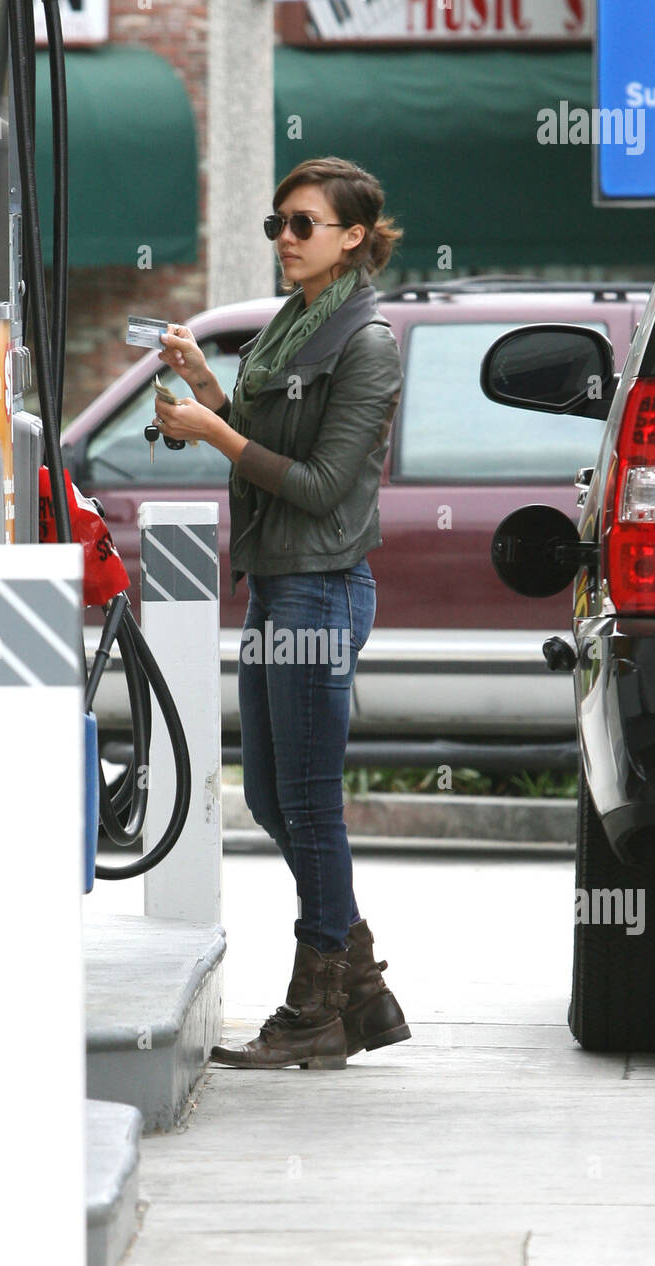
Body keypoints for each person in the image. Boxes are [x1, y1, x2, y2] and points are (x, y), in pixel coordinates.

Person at [151, 156, 409, 1071]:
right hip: (276, 580)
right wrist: (212, 390)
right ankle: (360, 979)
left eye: (302, 224)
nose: (285, 240)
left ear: (352, 236)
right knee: (268, 794)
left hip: (320, 584)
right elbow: (270, 441)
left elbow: (323, 485)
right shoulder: (297, 321)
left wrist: (217, 434)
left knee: (306, 800)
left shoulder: (367, 341)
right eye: (277, 225)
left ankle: (318, 1008)